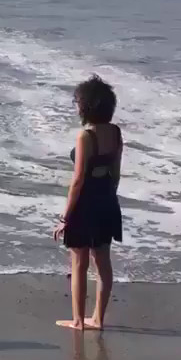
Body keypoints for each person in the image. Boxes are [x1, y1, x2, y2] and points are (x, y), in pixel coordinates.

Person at [52, 75, 123, 331]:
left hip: (85, 203)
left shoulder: (85, 136)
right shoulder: (115, 132)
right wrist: (109, 199)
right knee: (103, 261)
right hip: (107, 199)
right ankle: (98, 319)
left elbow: (78, 180)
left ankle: (79, 321)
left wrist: (65, 218)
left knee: (79, 262)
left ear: (86, 107)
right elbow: (115, 172)